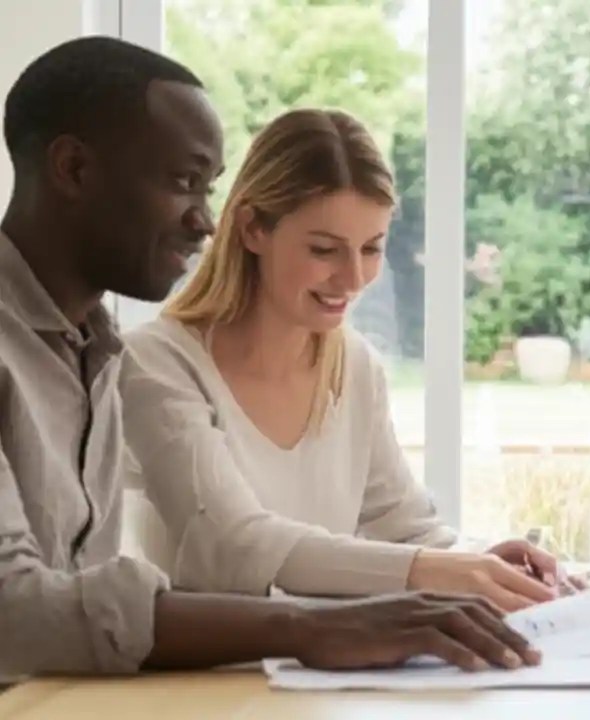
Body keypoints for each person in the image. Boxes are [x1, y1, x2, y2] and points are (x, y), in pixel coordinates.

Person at [0, 36, 537, 678]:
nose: (205, 221)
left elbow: (402, 525)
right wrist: (312, 626)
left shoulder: (97, 354)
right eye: (182, 182)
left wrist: (477, 572)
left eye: (208, 187)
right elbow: (16, 610)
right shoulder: (148, 361)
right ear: (75, 169)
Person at [118, 107, 569, 612]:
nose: (353, 279)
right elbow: (235, 544)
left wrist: (483, 562)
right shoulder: (155, 363)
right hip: (189, 684)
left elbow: (406, 531)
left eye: (372, 249)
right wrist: (445, 569)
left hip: (319, 678)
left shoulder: (354, 367)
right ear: (251, 229)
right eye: (325, 250)